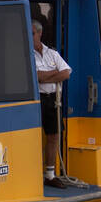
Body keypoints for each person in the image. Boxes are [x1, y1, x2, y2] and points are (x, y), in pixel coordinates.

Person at [33, 18, 71, 189]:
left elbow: (66, 73)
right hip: (37, 99)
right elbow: (36, 76)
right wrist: (54, 73)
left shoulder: (52, 53)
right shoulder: (26, 54)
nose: (30, 36)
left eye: (33, 33)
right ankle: (31, 173)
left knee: (54, 135)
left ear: (40, 33)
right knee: (32, 136)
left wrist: (45, 77)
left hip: (53, 99)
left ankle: (49, 175)